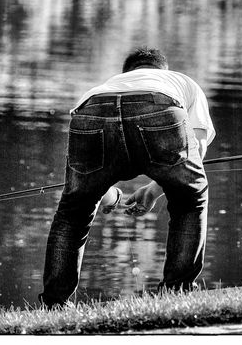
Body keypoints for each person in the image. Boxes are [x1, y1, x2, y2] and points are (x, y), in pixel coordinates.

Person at [40, 47, 214, 307]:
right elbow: (195, 151)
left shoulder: (105, 87)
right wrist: (155, 190)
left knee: (73, 211)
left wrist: (111, 197)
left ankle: (54, 304)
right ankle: (174, 293)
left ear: (127, 72)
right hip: (159, 105)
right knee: (190, 197)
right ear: (161, 70)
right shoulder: (181, 82)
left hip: (91, 110)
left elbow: (86, 183)